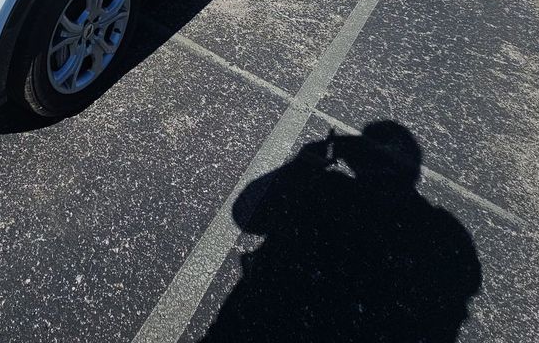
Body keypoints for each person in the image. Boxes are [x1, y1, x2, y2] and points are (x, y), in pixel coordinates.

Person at [203, 121, 482, 342]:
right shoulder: (442, 234)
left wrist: (307, 162)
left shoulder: (329, 190)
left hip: (261, 324)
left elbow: (247, 216)